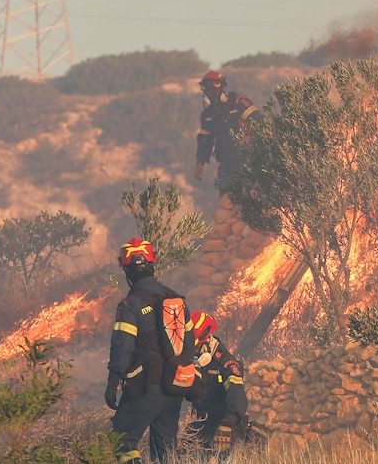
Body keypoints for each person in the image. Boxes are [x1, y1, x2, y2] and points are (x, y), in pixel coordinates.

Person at [104, 238, 188, 464]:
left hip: (145, 385)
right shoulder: (176, 300)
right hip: (174, 386)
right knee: (165, 451)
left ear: (127, 271)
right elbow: (190, 343)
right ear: (152, 265)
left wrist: (113, 382)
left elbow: (122, 346)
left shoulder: (131, 305)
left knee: (121, 437)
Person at [187, 310, 249, 455]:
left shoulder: (227, 363)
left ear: (207, 342)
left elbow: (237, 395)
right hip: (200, 421)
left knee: (225, 455)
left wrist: (228, 422)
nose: (192, 352)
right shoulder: (192, 360)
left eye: (195, 348)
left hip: (225, 422)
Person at [195, 70, 260, 194]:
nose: (211, 93)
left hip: (249, 160)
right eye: (207, 91)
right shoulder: (208, 115)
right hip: (227, 164)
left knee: (254, 197)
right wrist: (200, 163)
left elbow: (260, 122)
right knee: (226, 202)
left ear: (222, 88)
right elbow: (204, 140)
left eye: (214, 88)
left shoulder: (239, 103)